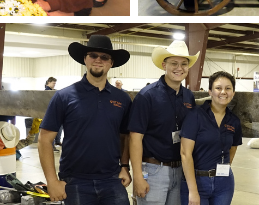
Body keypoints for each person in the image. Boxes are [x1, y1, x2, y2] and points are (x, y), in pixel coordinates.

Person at [39, 35, 133, 205]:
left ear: (111, 63)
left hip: (112, 179)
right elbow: (45, 139)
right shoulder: (64, 96)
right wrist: (52, 181)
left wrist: (125, 167)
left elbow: (125, 136)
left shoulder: (122, 99)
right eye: (93, 55)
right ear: (85, 59)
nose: (98, 60)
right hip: (75, 181)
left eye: (104, 57)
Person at [128, 41, 199, 205]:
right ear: (163, 65)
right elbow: (135, 138)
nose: (179, 68)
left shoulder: (188, 96)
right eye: (174, 63)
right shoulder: (147, 96)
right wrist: (138, 176)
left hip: (179, 170)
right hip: (153, 170)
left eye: (183, 64)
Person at [178, 71, 240, 205]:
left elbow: (232, 148)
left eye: (228, 88)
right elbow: (185, 153)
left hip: (224, 184)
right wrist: (193, 190)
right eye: (218, 88)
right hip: (197, 181)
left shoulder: (234, 121)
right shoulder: (195, 115)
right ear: (210, 91)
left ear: (233, 93)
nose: (223, 92)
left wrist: (222, 170)